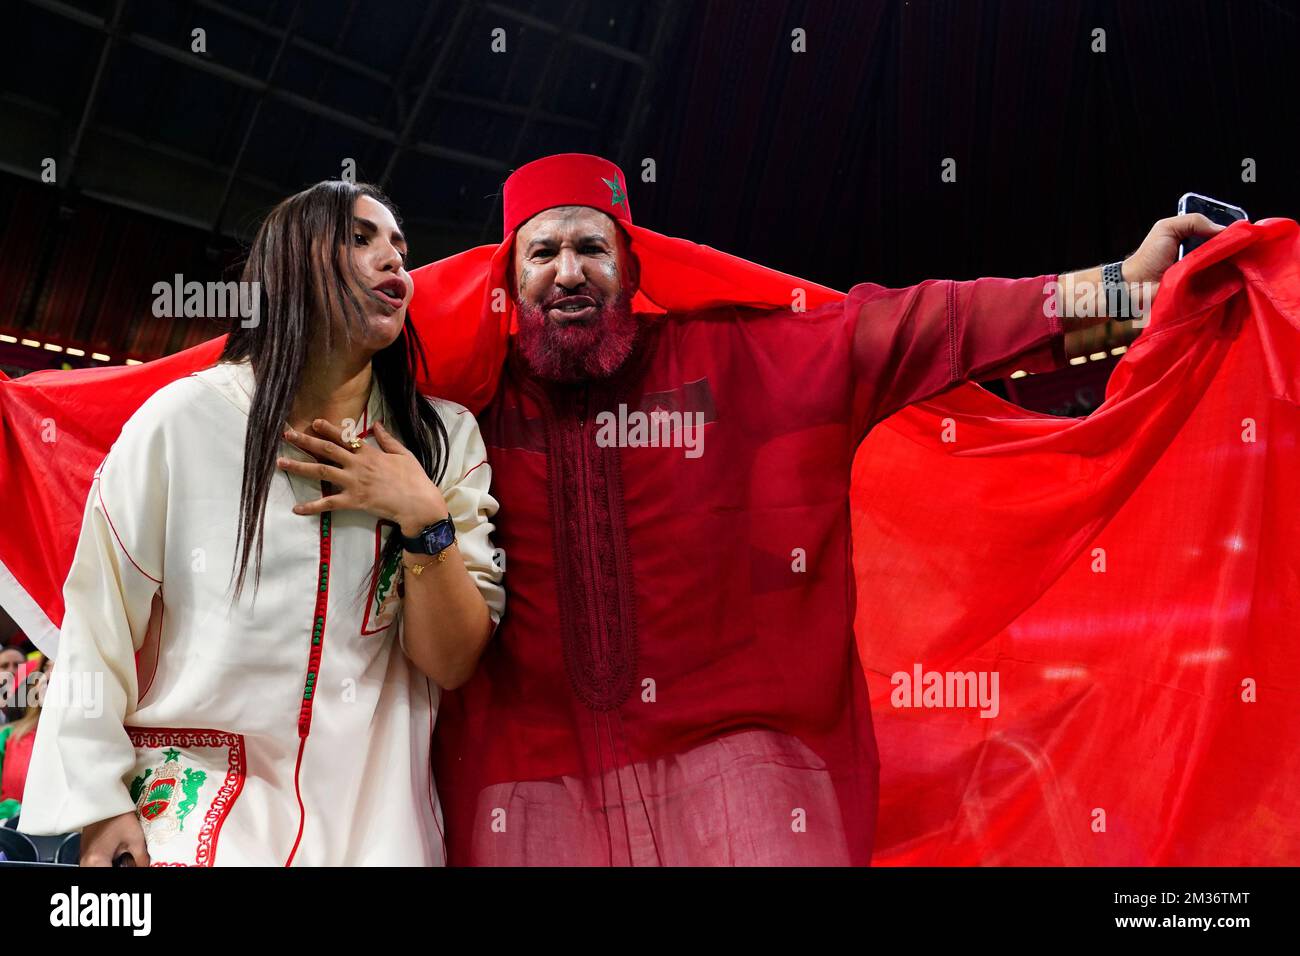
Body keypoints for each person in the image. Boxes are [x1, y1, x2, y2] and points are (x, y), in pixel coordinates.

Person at [414, 153, 1225, 865]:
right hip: (531, 781)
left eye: (591, 247)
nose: (568, 270)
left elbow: (918, 322)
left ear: (631, 266)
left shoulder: (737, 357)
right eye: (542, 252)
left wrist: (1124, 282)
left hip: (739, 764)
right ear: (506, 281)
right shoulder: (460, 409)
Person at [18, 181, 505, 866]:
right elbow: (97, 622)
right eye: (361, 239)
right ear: (291, 265)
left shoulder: (446, 441)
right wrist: (100, 804)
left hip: (379, 826)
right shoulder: (182, 421)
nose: (394, 259)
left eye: (400, 247)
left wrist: (422, 517)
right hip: (195, 817)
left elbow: (451, 662)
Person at [0, 666, 45, 821]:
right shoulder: (7, 736)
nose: (49, 675)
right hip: (11, 837)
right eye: (46, 667)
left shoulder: (96, 740)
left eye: (59, 667)